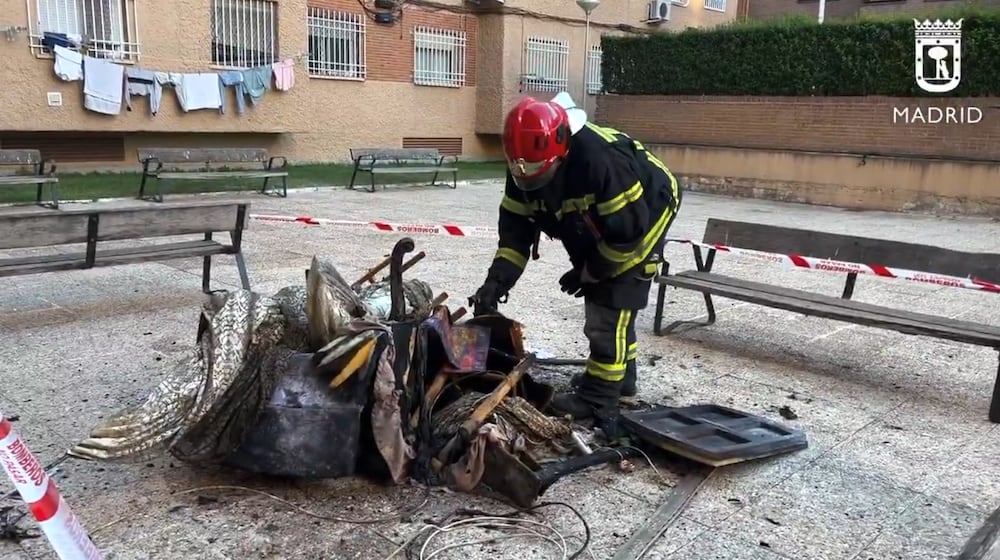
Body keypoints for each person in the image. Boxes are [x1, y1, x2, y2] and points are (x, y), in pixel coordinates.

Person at [470, 93, 683, 428]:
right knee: (603, 286)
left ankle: (599, 397)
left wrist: (592, 272)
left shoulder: (599, 162)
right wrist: (495, 284)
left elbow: (626, 234)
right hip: (600, 219)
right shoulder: (523, 167)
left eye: (540, 172)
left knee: (612, 297)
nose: (530, 182)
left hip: (648, 207)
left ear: (562, 151)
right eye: (522, 173)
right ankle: (622, 379)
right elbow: (515, 236)